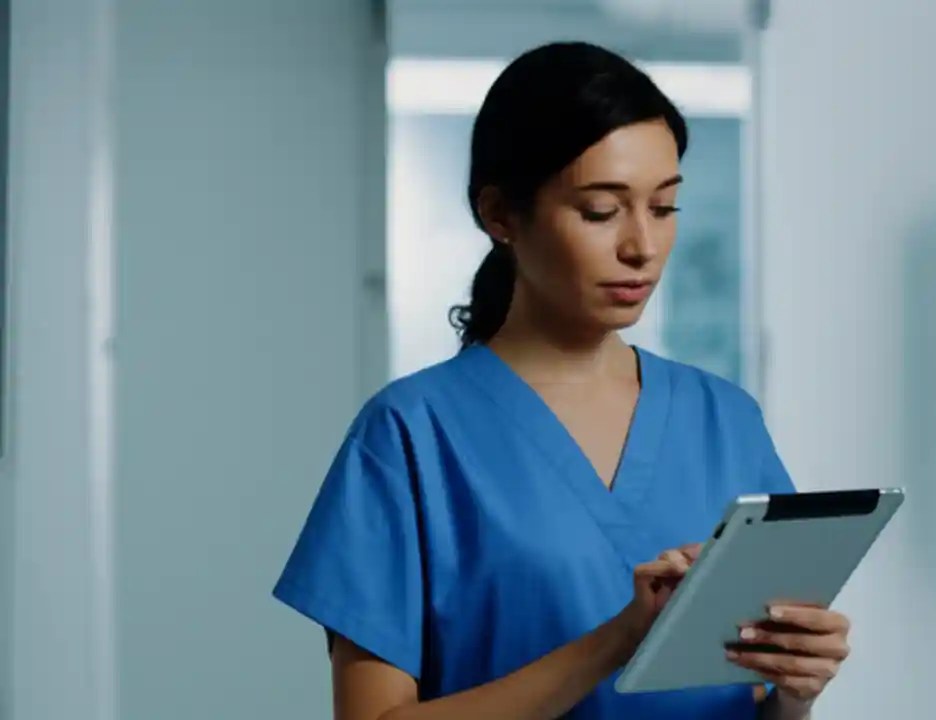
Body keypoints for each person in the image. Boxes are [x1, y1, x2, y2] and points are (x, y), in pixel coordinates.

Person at [273, 41, 852, 720]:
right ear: (500, 215)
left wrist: (794, 690)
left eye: (664, 209)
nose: (641, 245)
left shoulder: (725, 420)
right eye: (601, 212)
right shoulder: (409, 435)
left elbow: (750, 702)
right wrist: (617, 641)